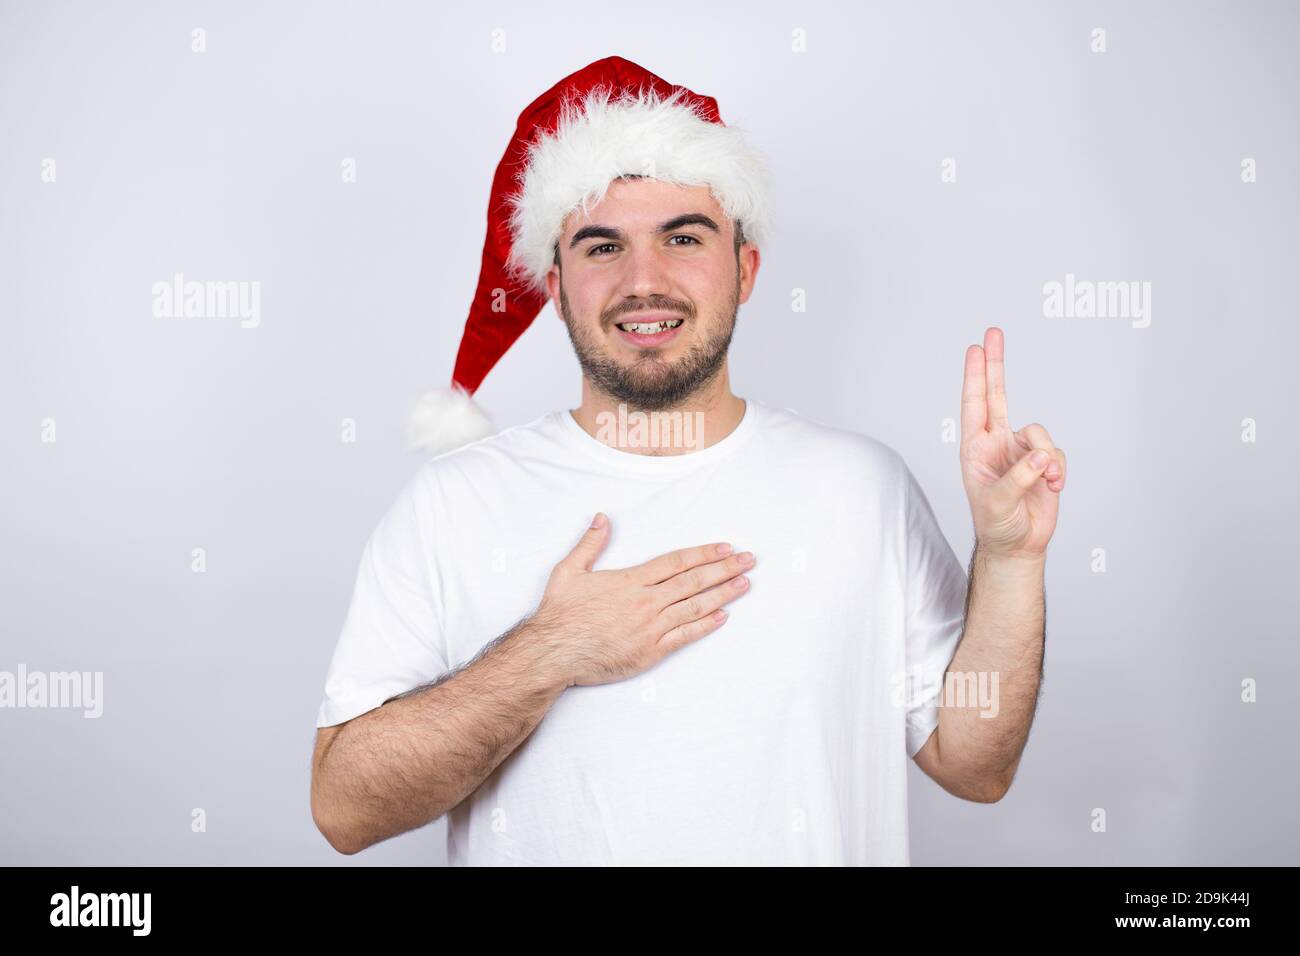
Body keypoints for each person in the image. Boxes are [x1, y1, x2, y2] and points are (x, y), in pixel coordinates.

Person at [309, 56, 1067, 865]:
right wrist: (550, 651)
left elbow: (976, 765)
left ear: (743, 269)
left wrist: (1012, 558)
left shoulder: (860, 489)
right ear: (555, 286)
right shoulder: (454, 504)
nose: (645, 280)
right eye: (602, 246)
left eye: (682, 237)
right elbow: (345, 810)